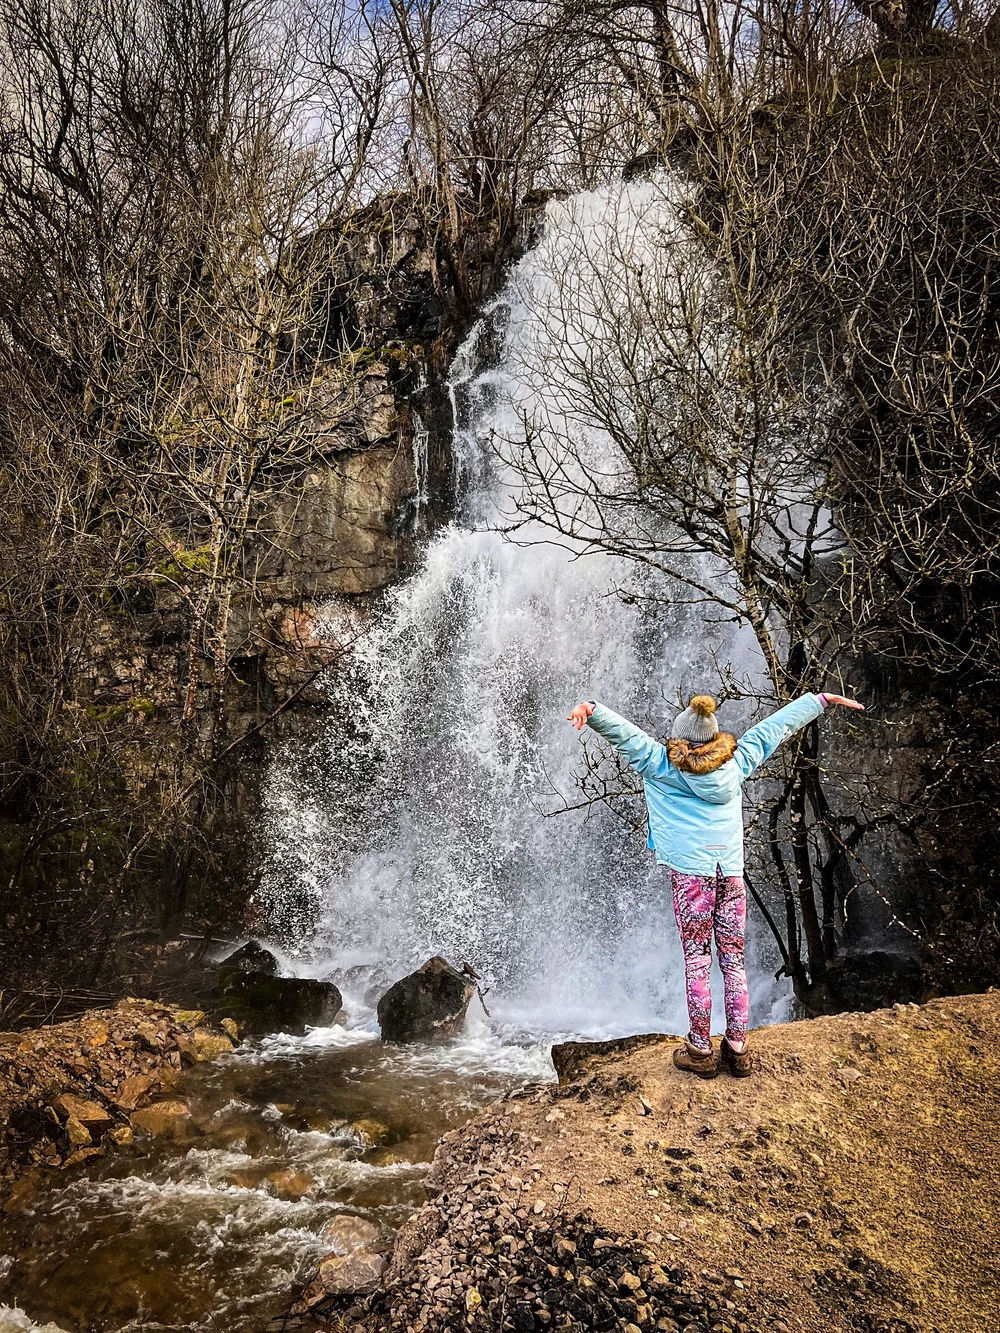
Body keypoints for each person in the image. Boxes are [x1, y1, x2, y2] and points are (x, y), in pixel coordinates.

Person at [567, 690, 864, 1078]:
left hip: (692, 877)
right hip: (730, 874)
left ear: (680, 738)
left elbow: (627, 735)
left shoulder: (660, 765)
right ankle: (738, 1048)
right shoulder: (736, 763)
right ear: (713, 738)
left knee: (697, 960)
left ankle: (700, 1049)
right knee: (733, 959)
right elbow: (773, 730)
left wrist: (592, 711)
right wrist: (818, 701)